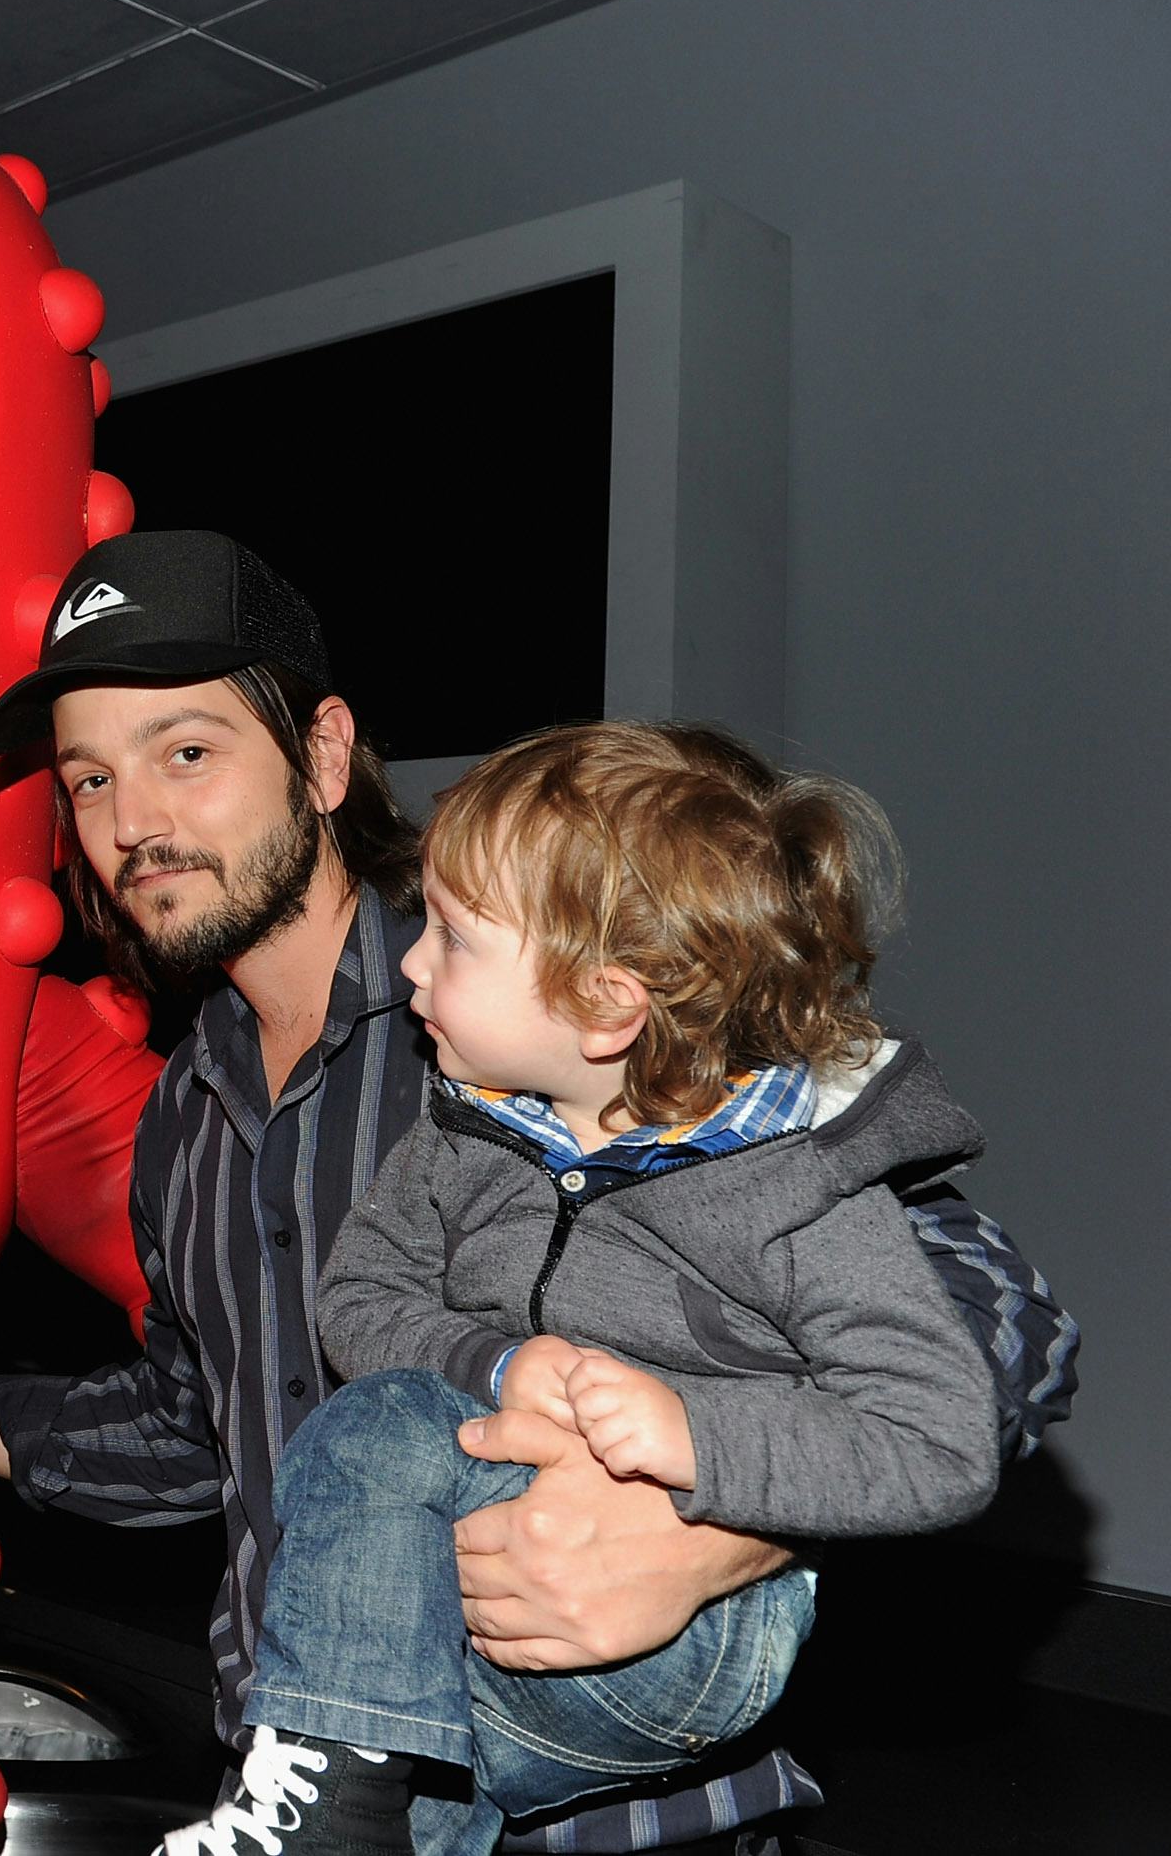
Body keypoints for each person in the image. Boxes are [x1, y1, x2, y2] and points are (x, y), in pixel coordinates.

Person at [0, 532, 1080, 1856]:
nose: (132, 819)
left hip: (630, 1818)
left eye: (186, 750)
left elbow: (994, 1319)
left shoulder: (540, 999)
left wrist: (718, 1532)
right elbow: (205, 1421)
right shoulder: (182, 1113)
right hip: (316, 1809)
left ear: (324, 755)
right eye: (89, 777)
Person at [162, 720, 999, 1856]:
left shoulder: (796, 1187)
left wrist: (692, 1434)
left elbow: (939, 1439)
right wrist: (497, 1364)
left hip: (691, 1648)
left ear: (607, 1007)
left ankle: (339, 1777)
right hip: (480, 1616)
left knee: (382, 1474)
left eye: (455, 940)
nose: (413, 960)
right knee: (384, 1452)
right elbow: (357, 1296)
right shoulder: (470, 1133)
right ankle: (343, 1795)